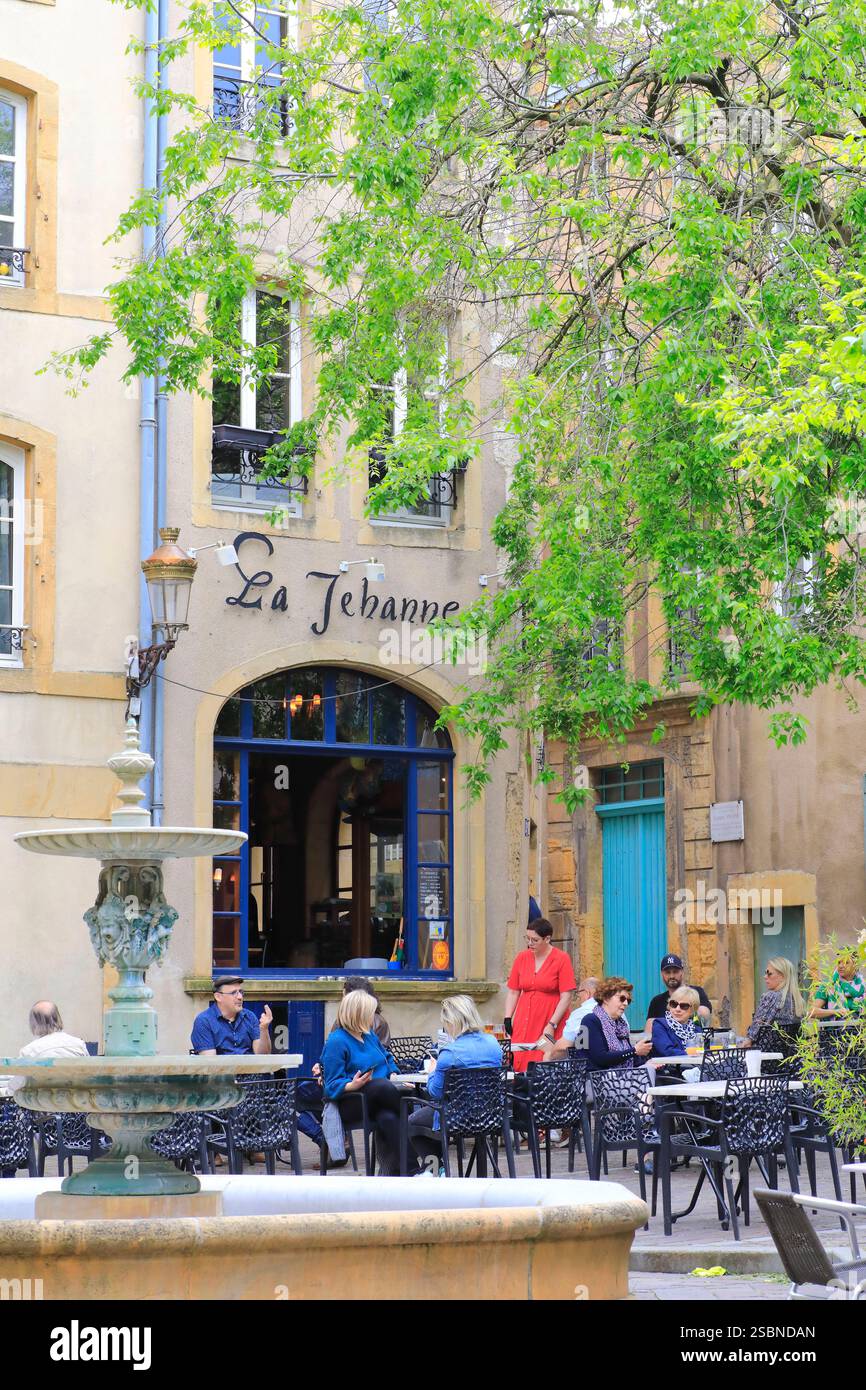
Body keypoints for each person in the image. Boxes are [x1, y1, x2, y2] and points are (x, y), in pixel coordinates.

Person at [407, 995, 502, 1171]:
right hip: (490, 1114)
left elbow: (435, 1093)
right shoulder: (493, 1043)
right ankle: (436, 1170)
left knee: (413, 1121)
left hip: (457, 1117)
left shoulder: (449, 1053)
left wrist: (432, 1072)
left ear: (452, 1023)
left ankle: (435, 1170)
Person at [320, 989, 409, 1176]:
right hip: (351, 1100)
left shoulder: (370, 1037)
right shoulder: (337, 1041)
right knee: (382, 1086)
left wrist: (395, 1076)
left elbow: (388, 1058)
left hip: (381, 1099)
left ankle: (412, 1170)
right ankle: (409, 1116)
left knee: (388, 1117)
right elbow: (330, 1084)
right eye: (371, 1012)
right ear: (359, 1014)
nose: (374, 1017)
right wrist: (352, 1085)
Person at [504, 919, 577, 1071]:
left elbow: (566, 996)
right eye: (527, 938)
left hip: (549, 1018)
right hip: (525, 1019)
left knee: (543, 1054)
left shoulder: (561, 958)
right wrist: (507, 1018)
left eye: (534, 940)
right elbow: (513, 991)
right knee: (519, 1054)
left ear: (547, 939)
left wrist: (552, 1024)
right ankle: (522, 1088)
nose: (530, 943)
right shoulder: (522, 957)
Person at [581, 978, 653, 1071]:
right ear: (606, 998)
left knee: (652, 1071)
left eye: (628, 1000)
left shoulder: (621, 1026)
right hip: (597, 1080)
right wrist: (634, 1051)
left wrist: (647, 1062)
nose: (626, 1003)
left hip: (620, 1079)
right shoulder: (590, 1021)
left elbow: (631, 1059)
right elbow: (600, 1058)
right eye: (622, 998)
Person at [190, 977, 273, 1055]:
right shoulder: (204, 1021)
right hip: (221, 1070)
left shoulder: (250, 1016)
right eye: (234, 993)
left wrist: (264, 1029)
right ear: (218, 997)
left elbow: (263, 1056)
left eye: (241, 992)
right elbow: (210, 1064)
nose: (240, 997)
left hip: (250, 1070)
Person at [743, 956, 805, 1046]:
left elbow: (754, 1031)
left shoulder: (771, 996)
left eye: (769, 974)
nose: (765, 977)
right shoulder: (798, 1001)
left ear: (782, 977)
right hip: (791, 1056)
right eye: (765, 973)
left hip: (766, 1054)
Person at [644, 954, 711, 1033]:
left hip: (695, 1042)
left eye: (675, 972)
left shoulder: (697, 992)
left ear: (682, 972)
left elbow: (705, 1015)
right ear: (662, 974)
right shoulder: (657, 1001)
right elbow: (648, 1031)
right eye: (668, 972)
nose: (672, 976)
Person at [651, 987, 703, 1083]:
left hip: (693, 1070)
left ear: (693, 1010)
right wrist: (690, 1054)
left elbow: (703, 1051)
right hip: (669, 1073)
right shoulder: (660, 1024)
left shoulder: (696, 1028)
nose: (677, 1009)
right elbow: (667, 1051)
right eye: (673, 1004)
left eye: (684, 1006)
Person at [540, 977, 599, 1061]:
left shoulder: (581, 1013)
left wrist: (549, 1055)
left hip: (589, 1067)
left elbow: (563, 1047)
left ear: (587, 993)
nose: (579, 999)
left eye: (579, 994)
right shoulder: (615, 1011)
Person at [19, 1002, 89, 1059]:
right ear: (58, 1018)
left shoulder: (28, 1052)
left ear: (34, 1023)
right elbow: (90, 1072)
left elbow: (21, 1075)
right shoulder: (79, 1045)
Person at [810, 951, 866, 1021]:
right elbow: (812, 1012)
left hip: (860, 1030)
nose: (841, 966)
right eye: (839, 962)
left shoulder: (863, 987)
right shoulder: (829, 986)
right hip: (834, 1030)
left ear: (855, 965)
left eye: (846, 962)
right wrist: (835, 1011)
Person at [342, 976, 391, 1046]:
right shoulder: (342, 1020)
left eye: (345, 996)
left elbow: (381, 1052)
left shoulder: (378, 1022)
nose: (343, 1001)